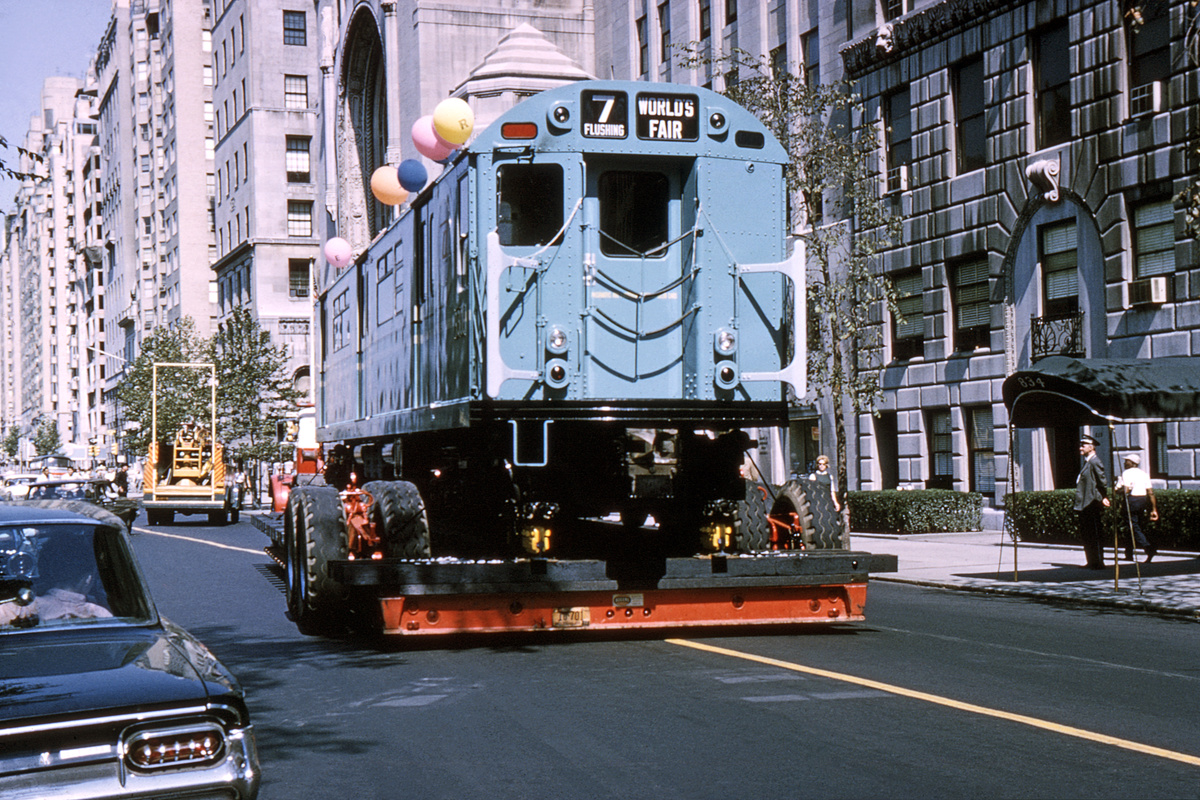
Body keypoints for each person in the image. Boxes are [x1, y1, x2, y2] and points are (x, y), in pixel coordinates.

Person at [1074, 433, 1110, 569]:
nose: (1080, 448)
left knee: (1094, 534)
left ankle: (1098, 562)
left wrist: (1104, 497)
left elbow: (1102, 482)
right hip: (1085, 505)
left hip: (1092, 504)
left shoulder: (1095, 462)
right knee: (1088, 534)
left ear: (1091, 447)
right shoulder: (1088, 462)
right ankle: (1091, 561)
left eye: (1083, 446)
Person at [1114, 453, 1158, 563]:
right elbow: (1150, 492)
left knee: (1133, 526)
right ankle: (1129, 553)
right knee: (1133, 526)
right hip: (1143, 500)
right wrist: (1154, 509)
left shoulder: (1127, 473)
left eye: (1127, 461)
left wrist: (1116, 491)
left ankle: (1148, 548)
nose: (1124, 463)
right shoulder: (1144, 474)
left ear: (1133, 463)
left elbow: (1127, 490)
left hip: (1132, 501)